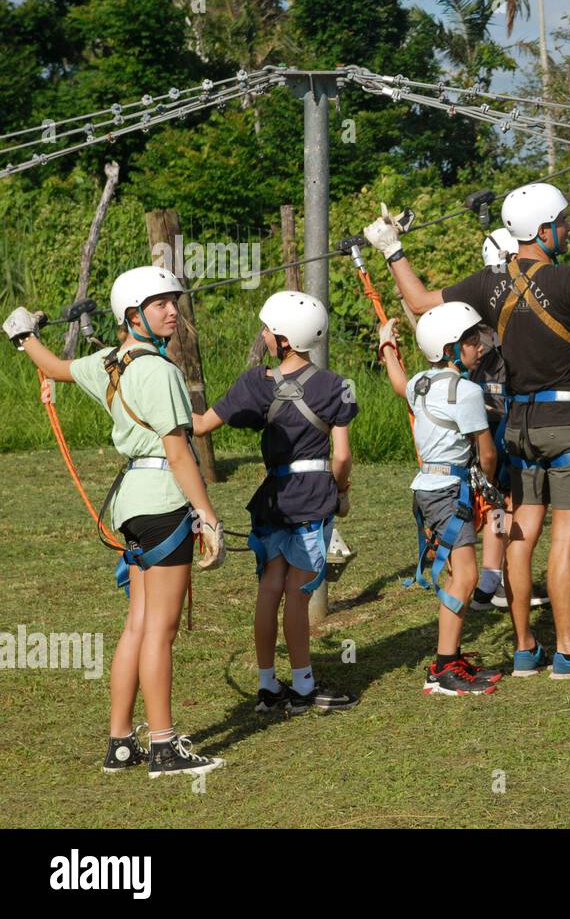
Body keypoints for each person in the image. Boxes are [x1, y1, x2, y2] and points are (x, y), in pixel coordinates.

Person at [365, 183, 570, 678]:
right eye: (562, 223)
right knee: (567, 539)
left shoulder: (489, 282)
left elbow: (417, 303)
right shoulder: (569, 281)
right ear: (542, 232)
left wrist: (393, 249)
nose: (567, 230)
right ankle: (568, 652)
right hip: (567, 425)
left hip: (517, 426)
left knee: (520, 536)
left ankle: (526, 649)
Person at [5, 267, 226, 776]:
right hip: (164, 502)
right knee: (160, 630)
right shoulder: (161, 371)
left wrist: (23, 335)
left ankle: (122, 742)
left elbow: (56, 368)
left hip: (130, 504)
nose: (173, 310)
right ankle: (165, 747)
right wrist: (208, 517)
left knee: (138, 625)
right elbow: (178, 452)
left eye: (174, 300)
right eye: (160, 304)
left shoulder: (110, 363)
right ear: (133, 316)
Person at [191, 291, 358, 715]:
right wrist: (339, 493)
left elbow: (200, 426)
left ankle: (268, 686)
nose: (263, 335)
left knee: (269, 590)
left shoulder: (254, 384)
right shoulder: (337, 386)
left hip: (272, 499)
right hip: (312, 499)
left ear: (283, 339)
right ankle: (303, 686)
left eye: (267, 329)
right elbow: (340, 456)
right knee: (297, 594)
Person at [378, 301, 504, 694]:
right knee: (466, 575)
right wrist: (492, 486)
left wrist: (386, 347)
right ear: (450, 350)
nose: (478, 347)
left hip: (429, 488)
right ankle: (443, 667)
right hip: (449, 491)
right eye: (470, 341)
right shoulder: (466, 391)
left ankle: (450, 659)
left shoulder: (421, 382)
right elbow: (486, 453)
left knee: (456, 573)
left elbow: (400, 384)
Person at [470, 228, 549, 613]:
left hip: (485, 417)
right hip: (505, 417)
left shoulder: (479, 305)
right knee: (513, 500)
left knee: (498, 500)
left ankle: (489, 577)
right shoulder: (511, 304)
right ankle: (499, 580)